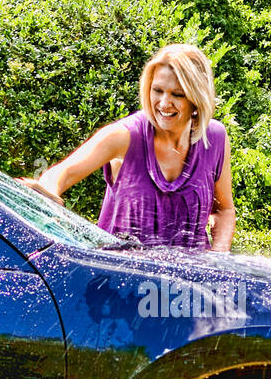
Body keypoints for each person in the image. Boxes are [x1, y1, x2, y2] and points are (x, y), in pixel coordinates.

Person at [22, 43, 235, 251]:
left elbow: (224, 209)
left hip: (189, 283)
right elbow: (61, 173)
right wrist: (47, 194)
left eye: (177, 94)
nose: (163, 103)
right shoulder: (124, 136)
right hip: (121, 280)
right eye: (157, 90)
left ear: (196, 98)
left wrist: (219, 258)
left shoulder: (215, 138)